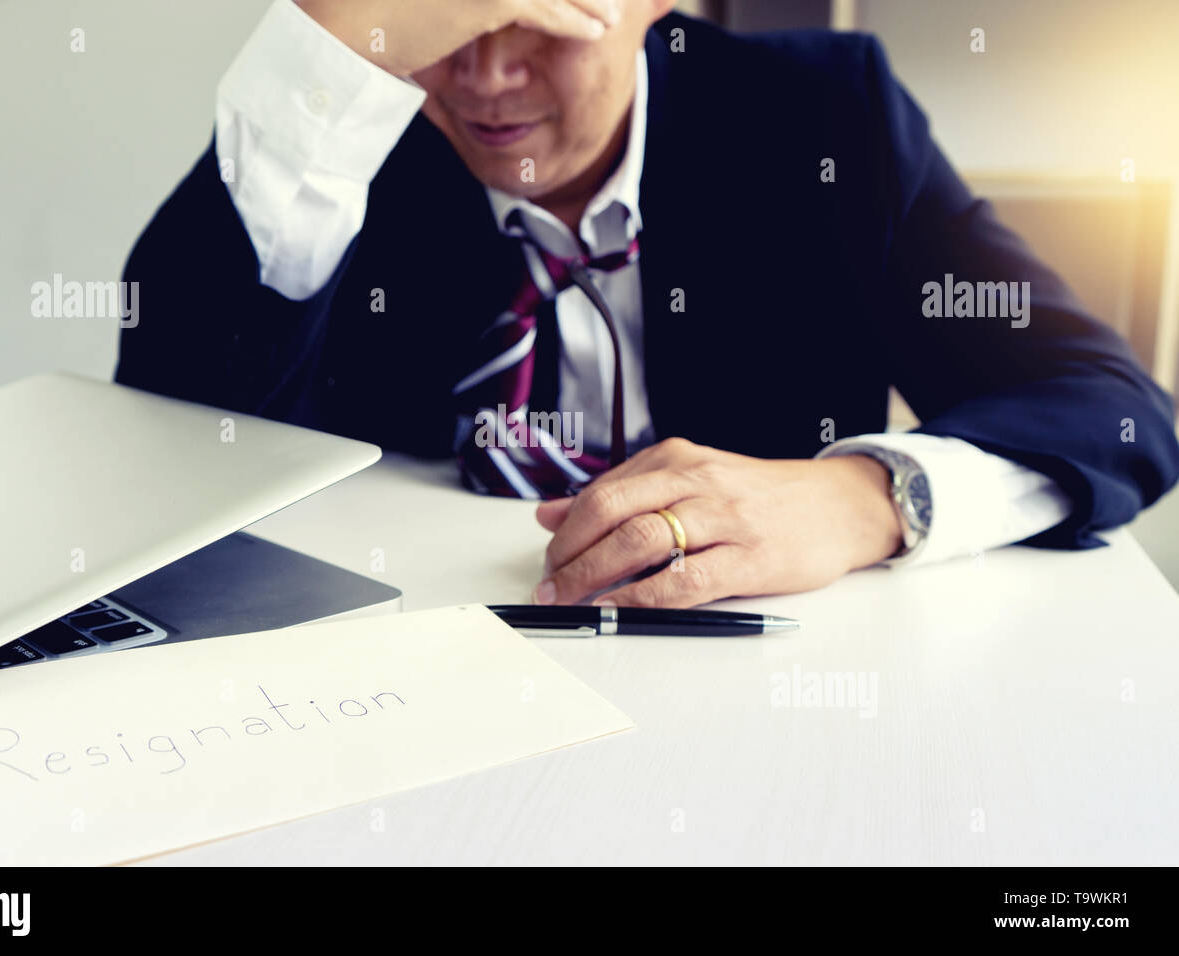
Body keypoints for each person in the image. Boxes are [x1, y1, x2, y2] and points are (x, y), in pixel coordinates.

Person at [115, 0, 1179, 608]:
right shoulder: (340, 152)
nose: (484, 71)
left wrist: (859, 499)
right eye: (441, 6)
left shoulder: (823, 112)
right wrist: (324, 55)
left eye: (542, 8)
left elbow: (1114, 409)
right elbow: (161, 459)